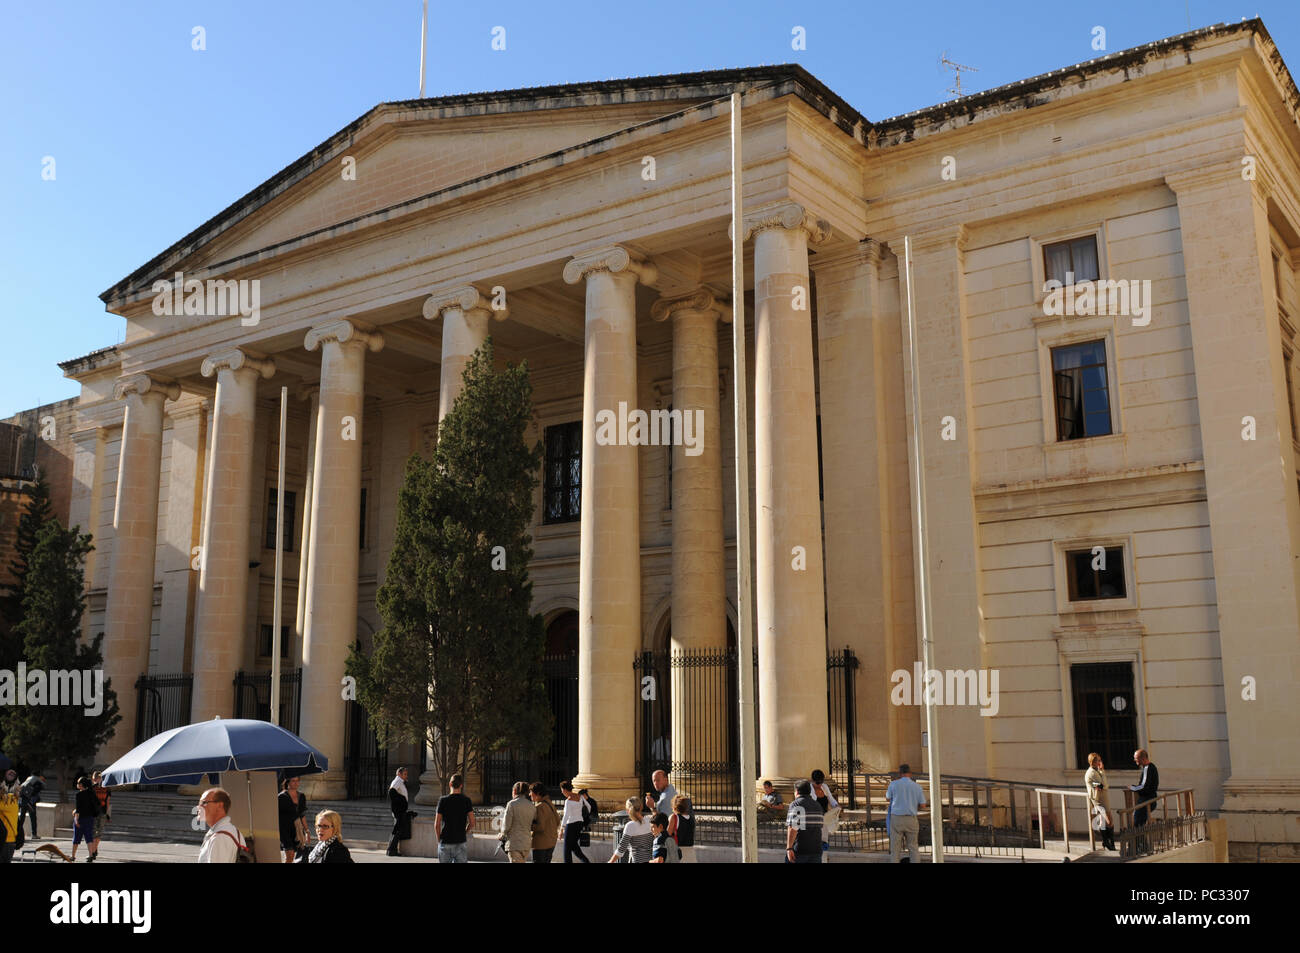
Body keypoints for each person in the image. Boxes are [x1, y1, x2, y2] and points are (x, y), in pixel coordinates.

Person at [885, 763, 927, 863]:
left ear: (900, 773)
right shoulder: (917, 786)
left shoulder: (893, 784)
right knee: (913, 847)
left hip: (896, 818)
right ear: (910, 773)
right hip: (911, 818)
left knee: (895, 848)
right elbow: (923, 805)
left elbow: (887, 798)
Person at [197, 787, 245, 863]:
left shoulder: (220, 837)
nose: (198, 807)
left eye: (203, 803)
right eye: (199, 803)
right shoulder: (229, 830)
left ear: (219, 806)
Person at [435, 773, 475, 864]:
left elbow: (437, 824)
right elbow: (472, 822)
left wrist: (439, 840)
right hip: (460, 840)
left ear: (450, 784)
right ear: (461, 785)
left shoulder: (443, 800)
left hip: (445, 840)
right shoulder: (466, 800)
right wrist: (465, 832)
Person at [785, 779, 824, 863]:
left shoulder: (797, 804)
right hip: (816, 851)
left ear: (796, 791)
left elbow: (794, 827)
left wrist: (789, 848)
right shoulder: (817, 805)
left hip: (800, 851)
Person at [1130, 749, 1159, 853]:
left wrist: (1132, 788)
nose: (1135, 760)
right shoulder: (1150, 767)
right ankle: (1142, 847)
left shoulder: (1147, 768)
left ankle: (1136, 848)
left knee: (1137, 823)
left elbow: (1143, 786)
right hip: (1148, 799)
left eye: (1136, 758)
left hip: (1146, 800)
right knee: (1139, 824)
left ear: (1143, 758)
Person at [1084, 753, 1115, 851]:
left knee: (1104, 820)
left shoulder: (1096, 771)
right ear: (1093, 761)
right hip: (1099, 799)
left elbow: (1102, 785)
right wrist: (1102, 771)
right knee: (1109, 820)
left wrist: (1101, 771)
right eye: (1098, 760)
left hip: (1101, 797)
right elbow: (1103, 785)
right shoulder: (1092, 773)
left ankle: (1108, 842)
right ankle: (1108, 842)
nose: (1100, 762)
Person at [608, 797, 654, 863]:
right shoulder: (650, 820)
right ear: (641, 807)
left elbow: (621, 848)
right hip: (651, 860)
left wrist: (611, 861)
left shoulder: (630, 826)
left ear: (627, 810)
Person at [500, 780, 534, 863]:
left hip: (514, 843)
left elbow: (506, 825)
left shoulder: (511, 804)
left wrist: (502, 834)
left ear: (514, 791)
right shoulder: (531, 805)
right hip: (526, 843)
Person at [810, 768, 840, 862]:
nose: (819, 785)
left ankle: (823, 860)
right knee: (814, 844)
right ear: (812, 780)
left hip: (824, 820)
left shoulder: (824, 787)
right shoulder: (809, 789)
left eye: (821, 782)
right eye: (817, 783)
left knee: (824, 842)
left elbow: (831, 799)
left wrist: (836, 806)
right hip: (813, 821)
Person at [278, 775, 309, 863]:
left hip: (297, 830)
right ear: (288, 782)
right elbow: (275, 814)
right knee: (290, 854)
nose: (296, 783)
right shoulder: (281, 797)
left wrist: (307, 831)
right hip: (284, 829)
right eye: (293, 781)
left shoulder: (302, 796)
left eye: (297, 781)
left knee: (294, 856)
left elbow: (302, 814)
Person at [558, 781, 590, 864]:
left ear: (565, 790)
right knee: (574, 846)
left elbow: (566, 815)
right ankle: (586, 861)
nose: (562, 792)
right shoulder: (580, 796)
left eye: (562, 790)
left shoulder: (568, 801)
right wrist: (584, 816)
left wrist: (561, 829)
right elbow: (588, 806)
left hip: (571, 824)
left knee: (567, 849)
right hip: (579, 823)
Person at [529, 782, 559, 863]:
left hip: (540, 844)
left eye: (531, 792)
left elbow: (540, 827)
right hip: (551, 842)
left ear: (538, 793)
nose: (529, 794)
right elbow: (558, 821)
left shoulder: (540, 807)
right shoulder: (550, 803)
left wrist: (528, 826)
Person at [70, 775, 99, 863]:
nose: (77, 784)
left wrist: (76, 820)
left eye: (78, 783)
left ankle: (73, 856)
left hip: (81, 818)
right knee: (88, 837)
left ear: (81, 785)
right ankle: (90, 855)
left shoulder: (79, 794)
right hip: (90, 818)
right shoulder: (91, 793)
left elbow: (78, 809)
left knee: (76, 838)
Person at [388, 766, 412, 857]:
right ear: (399, 774)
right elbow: (391, 793)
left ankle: (391, 850)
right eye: (405, 774)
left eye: (406, 774)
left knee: (396, 830)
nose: (406, 776)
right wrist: (401, 803)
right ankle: (391, 850)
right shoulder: (397, 781)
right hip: (399, 811)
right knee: (397, 830)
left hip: (400, 810)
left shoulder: (400, 782)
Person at [89, 770, 111, 862]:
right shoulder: (94, 788)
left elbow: (108, 802)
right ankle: (94, 850)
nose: (96, 780)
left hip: (99, 813)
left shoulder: (94, 788)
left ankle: (93, 851)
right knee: (95, 832)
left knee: (97, 832)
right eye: (95, 779)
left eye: (97, 778)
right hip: (97, 813)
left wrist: (107, 814)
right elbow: (108, 802)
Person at [668, 793, 696, 863]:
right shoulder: (691, 818)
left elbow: (667, 835)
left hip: (678, 853)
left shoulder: (674, 817)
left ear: (674, 807)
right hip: (691, 853)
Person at [18, 772, 44, 840]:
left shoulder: (28, 779)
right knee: (33, 818)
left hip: (23, 800)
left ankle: (18, 832)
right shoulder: (37, 781)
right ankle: (34, 834)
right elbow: (37, 791)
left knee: (22, 818)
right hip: (30, 802)